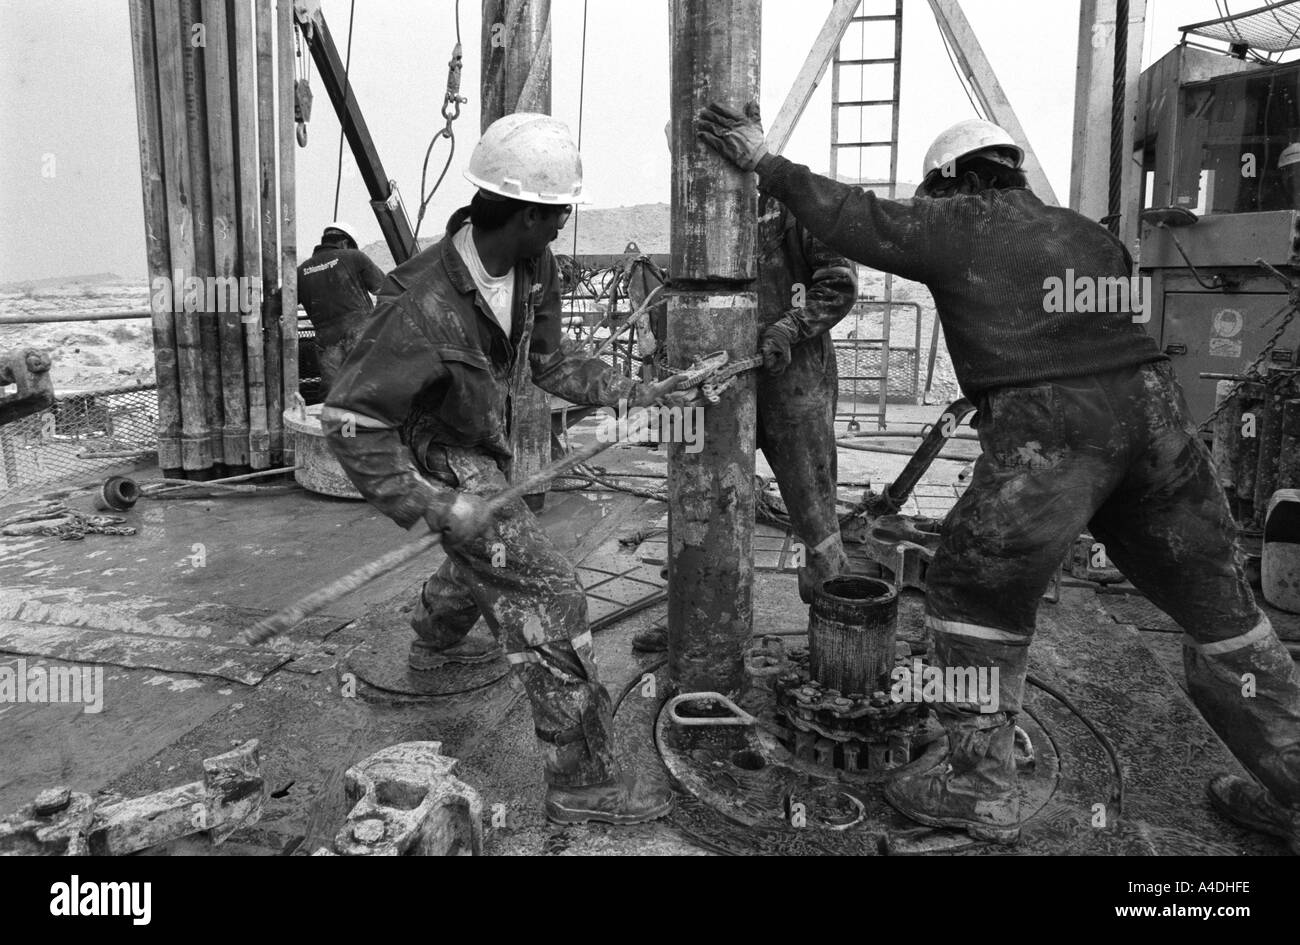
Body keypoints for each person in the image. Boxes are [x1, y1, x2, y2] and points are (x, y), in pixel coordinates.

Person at [697, 103, 1300, 852]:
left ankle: (978, 785)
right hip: (1156, 425)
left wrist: (766, 162)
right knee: (1222, 609)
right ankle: (1294, 784)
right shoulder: (1086, 231)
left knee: (972, 590)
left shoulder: (966, 221)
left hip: (1057, 427)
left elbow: (855, 219)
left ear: (953, 180)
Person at [322, 113, 694, 825]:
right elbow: (351, 420)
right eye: (556, 215)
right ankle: (582, 782)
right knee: (551, 595)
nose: (562, 226)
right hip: (441, 455)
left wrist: (638, 391)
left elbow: (551, 362)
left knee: (489, 548)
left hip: (483, 441)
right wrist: (432, 502)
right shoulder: (417, 305)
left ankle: (434, 633)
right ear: (523, 214)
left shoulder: (533, 267)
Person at [632, 130, 859, 654]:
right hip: (720, 386)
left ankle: (836, 634)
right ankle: (694, 621)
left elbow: (839, 281)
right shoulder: (696, 216)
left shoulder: (793, 205)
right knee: (701, 502)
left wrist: (788, 327)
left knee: (812, 510)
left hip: (793, 382)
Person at [296, 221, 384, 394]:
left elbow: (279, 304)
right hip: (361, 332)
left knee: (332, 393)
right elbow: (386, 290)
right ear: (345, 243)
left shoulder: (301, 271)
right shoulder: (354, 257)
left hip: (326, 340)